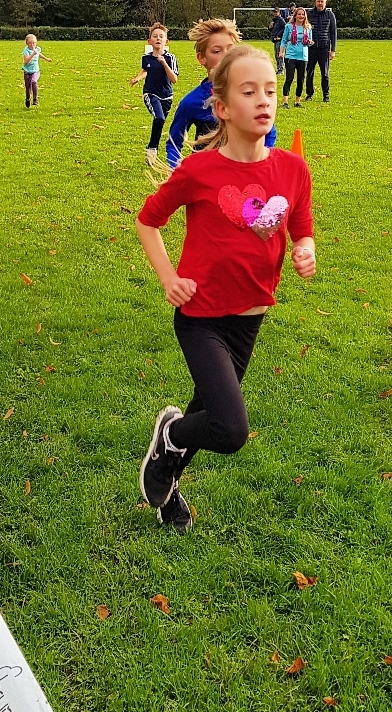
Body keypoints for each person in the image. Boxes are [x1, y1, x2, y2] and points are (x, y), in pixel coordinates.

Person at [135, 45, 316, 532]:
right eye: (249, 91)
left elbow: (301, 223)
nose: (265, 100)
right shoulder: (199, 170)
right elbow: (148, 221)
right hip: (201, 315)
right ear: (221, 108)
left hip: (250, 317)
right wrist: (169, 278)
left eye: (271, 90)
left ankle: (168, 483)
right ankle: (171, 434)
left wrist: (305, 249)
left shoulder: (292, 169)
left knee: (209, 410)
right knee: (230, 428)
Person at [165, 18, 276, 169]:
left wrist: (259, 163)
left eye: (230, 49)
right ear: (201, 58)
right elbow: (174, 142)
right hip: (207, 177)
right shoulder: (192, 101)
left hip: (243, 174)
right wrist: (176, 170)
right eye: (217, 51)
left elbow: (269, 132)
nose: (226, 56)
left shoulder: (250, 95)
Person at [130, 23, 179, 164]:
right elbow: (145, 70)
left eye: (161, 36)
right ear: (149, 41)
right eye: (155, 36)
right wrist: (137, 78)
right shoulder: (146, 58)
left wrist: (164, 63)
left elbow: (174, 80)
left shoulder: (170, 58)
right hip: (151, 93)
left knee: (160, 121)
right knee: (159, 119)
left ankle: (153, 148)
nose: (158, 39)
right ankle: (152, 149)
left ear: (166, 41)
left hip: (167, 96)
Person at [304, 0, 337, 103]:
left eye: (322, 1)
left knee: (325, 73)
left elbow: (333, 33)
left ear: (325, 3)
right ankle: (309, 94)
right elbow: (303, 29)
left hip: (324, 49)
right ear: (315, 2)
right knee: (309, 72)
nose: (320, 3)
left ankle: (326, 95)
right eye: (318, 1)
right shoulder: (309, 14)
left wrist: (333, 50)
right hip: (311, 49)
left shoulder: (330, 15)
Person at [281, 7, 311, 108]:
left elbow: (309, 42)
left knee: (301, 79)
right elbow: (284, 40)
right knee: (289, 78)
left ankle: (297, 101)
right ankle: (285, 101)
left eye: (303, 14)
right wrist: (281, 52)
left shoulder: (308, 28)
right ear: (295, 15)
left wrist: (310, 42)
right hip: (290, 56)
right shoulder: (288, 27)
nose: (301, 16)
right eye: (299, 14)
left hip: (303, 57)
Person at [22, 33, 52, 108]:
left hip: (35, 71)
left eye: (34, 43)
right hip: (27, 72)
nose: (32, 45)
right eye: (30, 43)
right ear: (27, 44)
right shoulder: (26, 50)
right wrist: (32, 54)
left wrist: (46, 58)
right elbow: (26, 61)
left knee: (34, 81)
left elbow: (39, 54)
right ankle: (28, 99)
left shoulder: (37, 49)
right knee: (28, 87)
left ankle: (35, 100)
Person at [268, 8, 286, 73]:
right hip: (275, 40)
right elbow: (274, 30)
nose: (275, 13)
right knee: (276, 55)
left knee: (280, 54)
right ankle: (279, 69)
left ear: (279, 12)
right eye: (274, 12)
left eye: (276, 12)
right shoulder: (274, 20)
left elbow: (285, 28)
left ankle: (281, 70)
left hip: (280, 39)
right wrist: (270, 28)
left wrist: (279, 35)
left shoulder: (280, 20)